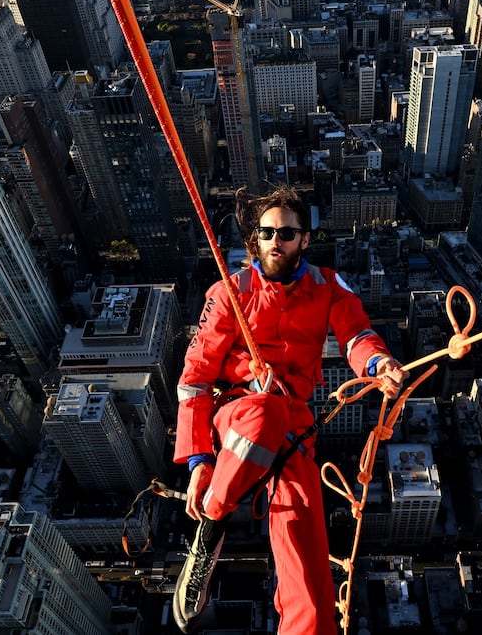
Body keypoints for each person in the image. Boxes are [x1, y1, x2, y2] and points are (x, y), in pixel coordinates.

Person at [173, 186, 404, 633]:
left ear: (304, 239)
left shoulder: (327, 287)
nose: (276, 239)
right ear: (255, 240)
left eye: (287, 232)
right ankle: (212, 527)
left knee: (314, 598)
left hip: (295, 433)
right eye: (267, 232)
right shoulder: (230, 293)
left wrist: (378, 363)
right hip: (238, 413)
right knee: (266, 413)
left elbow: (354, 335)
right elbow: (196, 377)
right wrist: (199, 461)